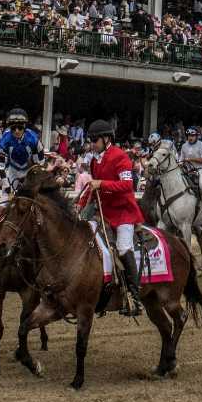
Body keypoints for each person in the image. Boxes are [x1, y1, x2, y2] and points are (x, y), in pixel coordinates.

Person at [79, 120, 144, 317]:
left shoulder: (121, 156)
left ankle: (135, 296)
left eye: (94, 140)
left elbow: (127, 186)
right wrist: (80, 205)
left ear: (106, 139)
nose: (92, 144)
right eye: (90, 140)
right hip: (104, 214)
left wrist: (102, 183)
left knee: (124, 248)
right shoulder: (93, 161)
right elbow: (92, 188)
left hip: (124, 213)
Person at [178, 124, 202, 213]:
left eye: (192, 135)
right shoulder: (184, 146)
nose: (190, 137)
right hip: (189, 169)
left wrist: (190, 159)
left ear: (197, 136)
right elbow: (180, 160)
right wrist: (180, 164)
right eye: (188, 136)